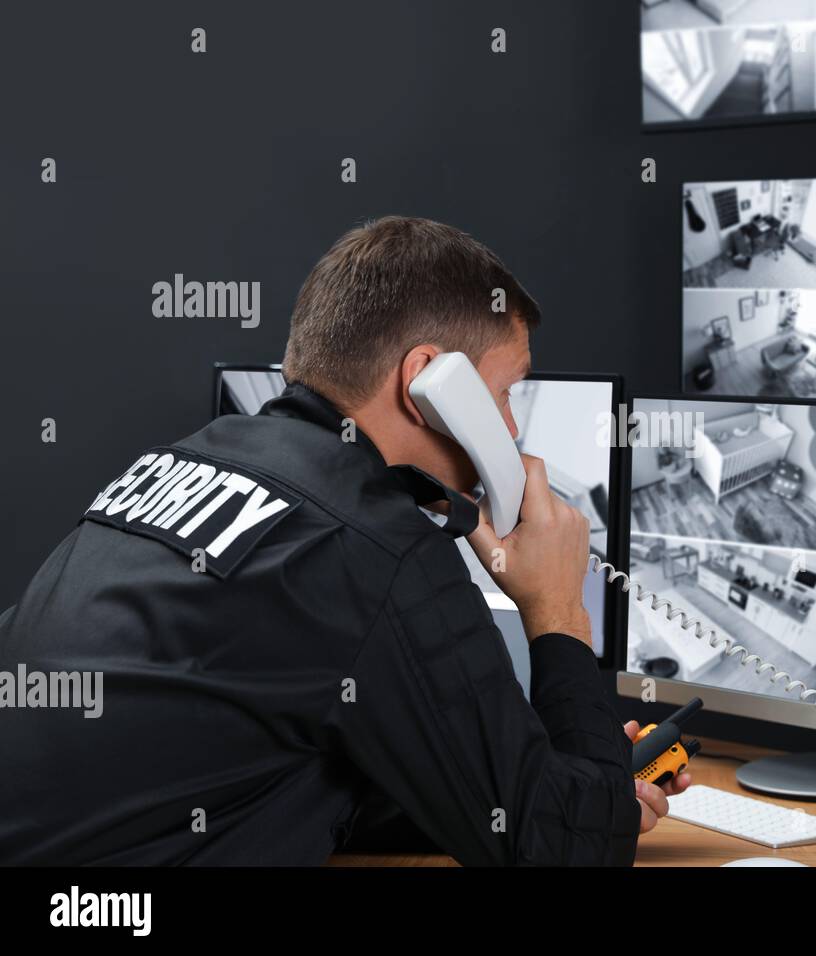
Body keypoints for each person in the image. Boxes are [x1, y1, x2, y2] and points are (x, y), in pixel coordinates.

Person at [0, 216, 688, 865]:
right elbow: (567, 852)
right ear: (429, 384)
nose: (509, 430)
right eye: (507, 393)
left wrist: (554, 775)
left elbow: (290, 762)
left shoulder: (179, 462)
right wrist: (559, 609)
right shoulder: (377, 543)